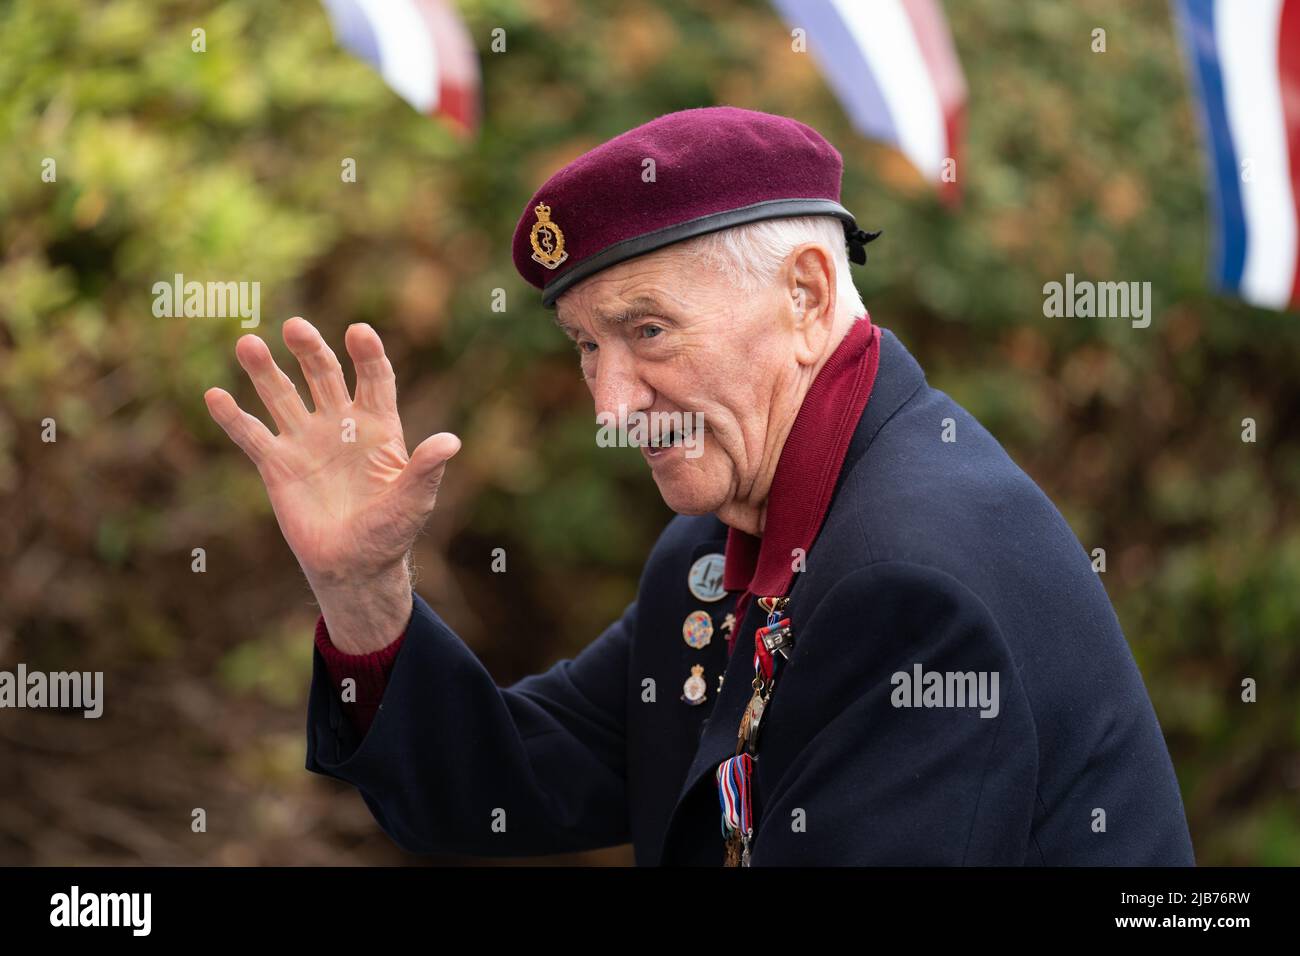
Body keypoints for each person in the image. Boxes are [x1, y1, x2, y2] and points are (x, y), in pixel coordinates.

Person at [203, 106, 1195, 866]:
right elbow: (507, 781)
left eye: (648, 332)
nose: (611, 406)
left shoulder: (917, 575)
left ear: (805, 295)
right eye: (589, 347)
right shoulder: (721, 541)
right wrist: (362, 590)